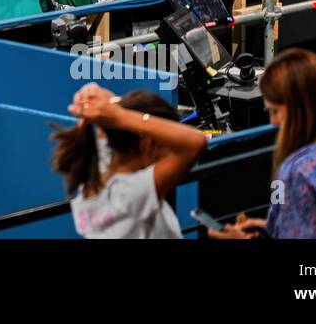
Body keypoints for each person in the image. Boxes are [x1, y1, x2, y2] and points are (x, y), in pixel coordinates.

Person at [209, 48, 316, 239]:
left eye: (275, 111)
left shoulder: (301, 173)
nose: (273, 122)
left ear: (301, 108)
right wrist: (276, 226)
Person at [54, 83, 208, 239]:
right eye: (169, 147)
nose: (171, 154)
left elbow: (112, 126)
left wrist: (111, 106)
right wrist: (118, 115)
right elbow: (195, 143)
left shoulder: (96, 173)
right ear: (149, 144)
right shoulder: (133, 192)